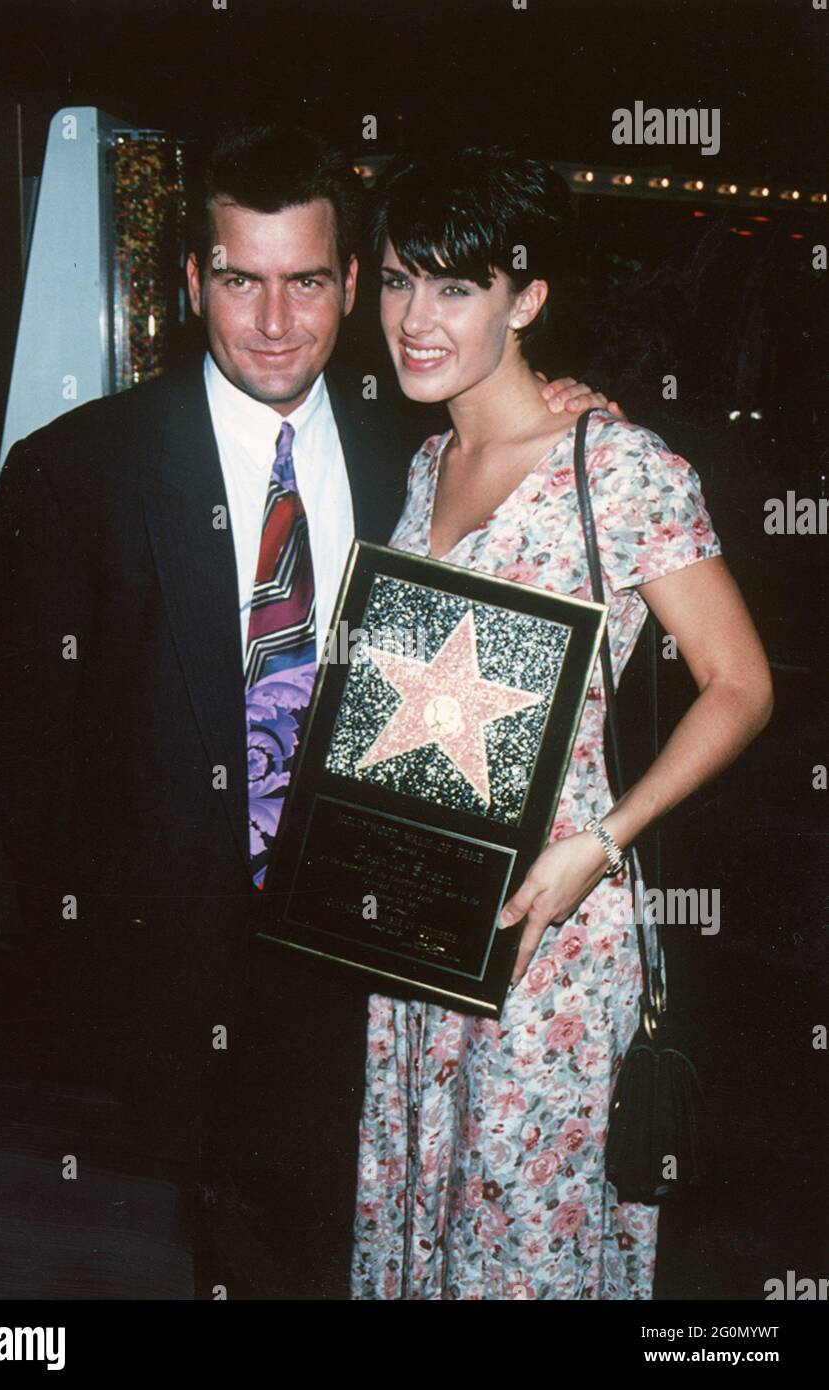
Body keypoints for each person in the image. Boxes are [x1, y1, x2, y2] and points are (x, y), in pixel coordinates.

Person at [0, 122, 609, 1299]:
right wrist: (99, 946)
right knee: (215, 1243)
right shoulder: (75, 470)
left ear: (353, 285)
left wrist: (561, 412)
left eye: (307, 281)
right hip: (175, 962)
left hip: (371, 955)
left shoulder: (417, 453)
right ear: (192, 282)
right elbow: (17, 746)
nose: (274, 321)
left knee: (353, 1242)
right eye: (241, 280)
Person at [351, 146, 774, 1300]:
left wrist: (607, 840)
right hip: (423, 921)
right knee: (428, 1225)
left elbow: (741, 683)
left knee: (523, 1252)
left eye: (455, 286)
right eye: (396, 281)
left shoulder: (619, 466)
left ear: (526, 298)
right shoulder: (428, 459)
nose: (415, 319)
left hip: (554, 925)